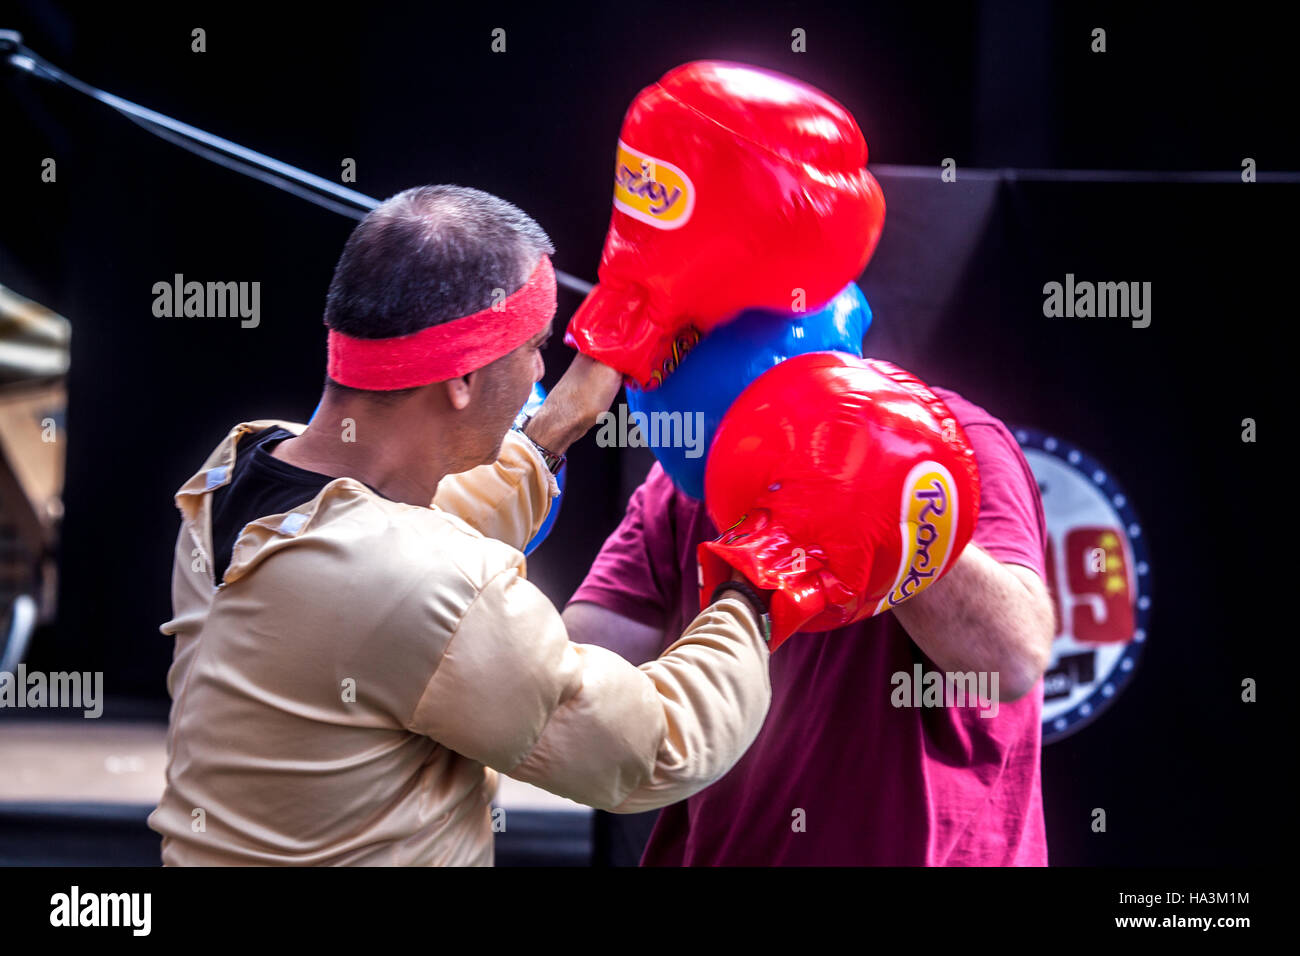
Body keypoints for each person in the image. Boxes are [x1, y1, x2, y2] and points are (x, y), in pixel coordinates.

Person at [147, 185, 773, 866]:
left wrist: (554, 429)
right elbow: (653, 750)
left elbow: (387, 541)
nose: (541, 366)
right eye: (534, 347)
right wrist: (755, 583)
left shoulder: (238, 469)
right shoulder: (427, 586)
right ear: (465, 378)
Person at [565, 369, 1056, 865]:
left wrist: (886, 489)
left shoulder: (953, 437)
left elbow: (1009, 662)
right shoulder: (688, 477)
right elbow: (575, 677)